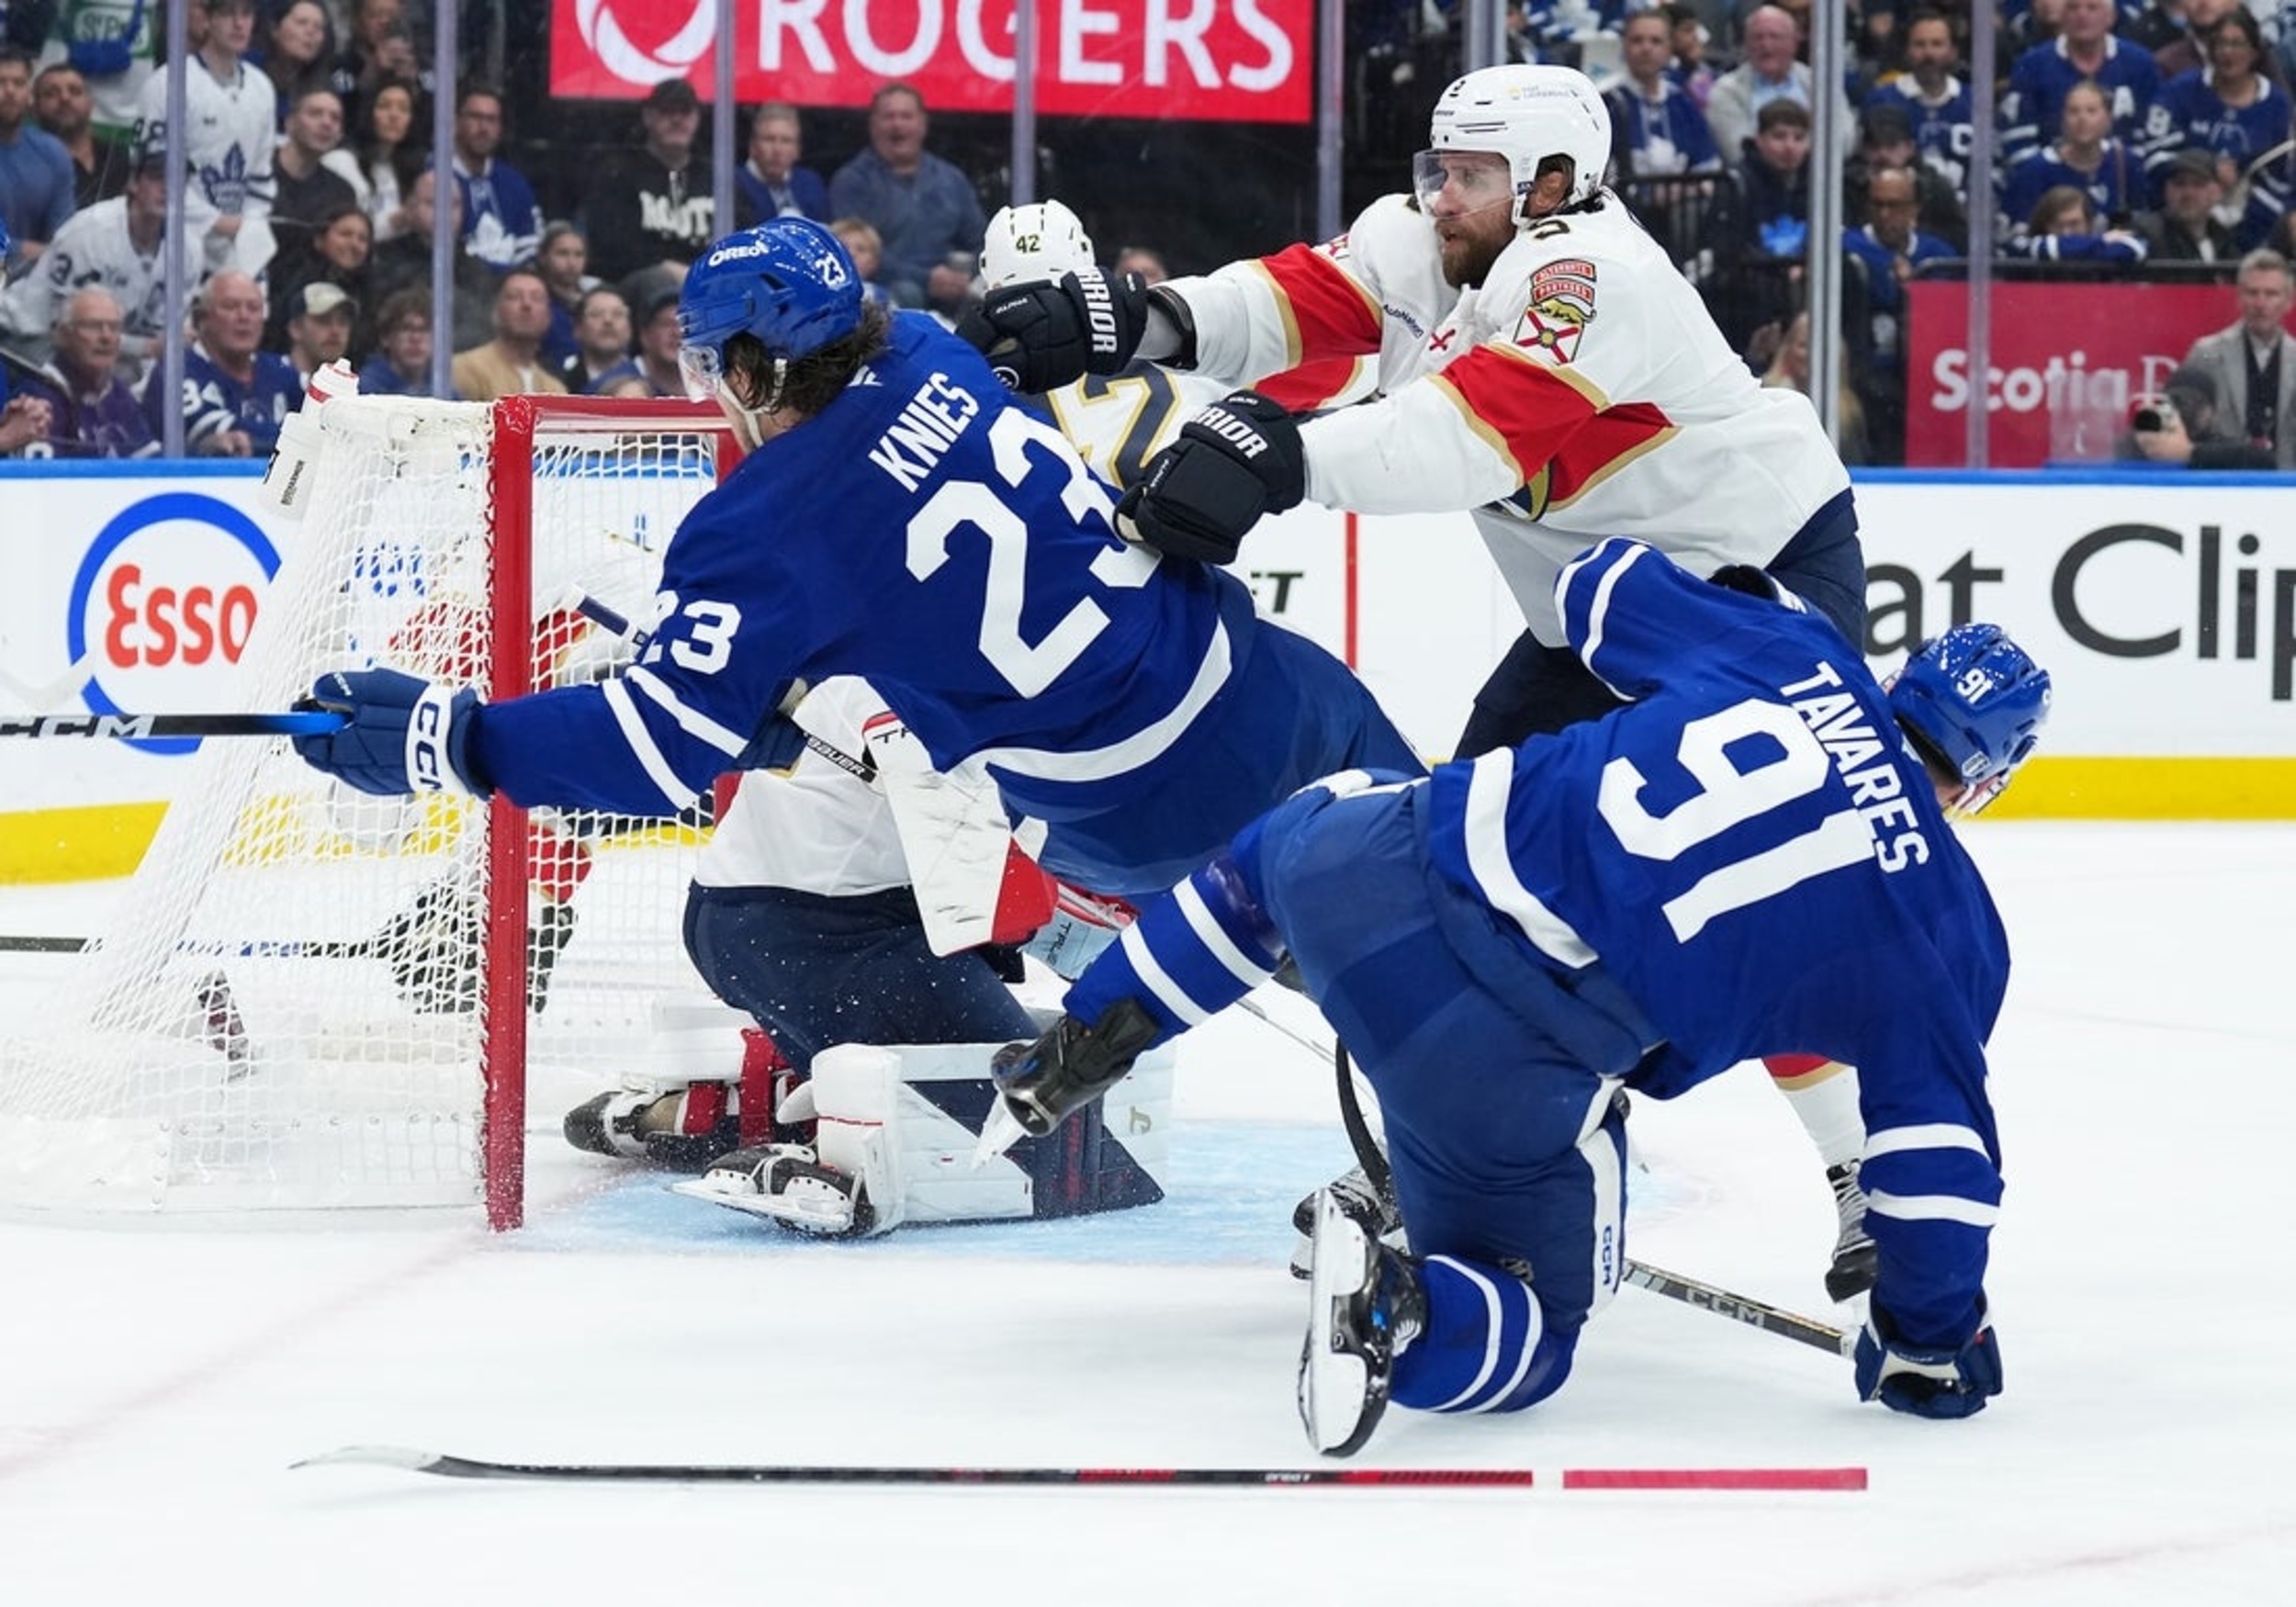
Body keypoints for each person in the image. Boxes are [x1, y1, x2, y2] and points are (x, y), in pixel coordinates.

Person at [983, 539, 2050, 1454]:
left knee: (1291, 840)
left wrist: (1746, 599)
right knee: (1535, 1330)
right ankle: (1403, 1315)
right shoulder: (1950, 930)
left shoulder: (1796, 653)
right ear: (1991, 777)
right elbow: (1934, 1177)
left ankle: (1086, 1036)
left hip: (1371, 878)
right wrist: (1925, 1335)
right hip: (1492, 1066)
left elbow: (1599, 585)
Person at [286, 215, 1419, 909]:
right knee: (1453, 900)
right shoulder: (930, 349)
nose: (704, 391)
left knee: (1286, 943)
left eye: (709, 364)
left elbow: (651, 751)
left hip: (1125, 815)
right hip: (1272, 685)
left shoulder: (763, 528)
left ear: (756, 366)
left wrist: (457, 739)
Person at [967, 64, 1863, 764]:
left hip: (1752, 581)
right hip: (1593, 625)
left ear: (1549, 185)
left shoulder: (1591, 278)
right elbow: (1284, 300)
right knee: (1461, 868)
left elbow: (1469, 439)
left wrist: (1285, 457)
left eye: (1469, 175)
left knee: (1719, 870)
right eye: (1439, 169)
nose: (1440, 195)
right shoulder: (1431, 237)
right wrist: (1138, 320)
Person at [0, 143, 199, 378]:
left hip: (114, 353)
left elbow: (164, 334)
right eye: (156, 178)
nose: (168, 188)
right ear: (133, 183)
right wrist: (144, 348)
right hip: (32, 338)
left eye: (178, 180)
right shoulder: (90, 232)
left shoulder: (189, 250)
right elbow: (63, 329)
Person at [132, 0, 277, 277]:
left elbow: (261, 173)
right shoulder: (168, 83)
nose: (239, 23)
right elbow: (151, 172)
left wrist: (251, 225)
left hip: (240, 247)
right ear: (207, 19)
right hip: (177, 239)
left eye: (246, 14)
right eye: (227, 13)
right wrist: (216, 222)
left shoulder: (262, 87)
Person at [827, 82, 986, 315]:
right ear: (873, 125)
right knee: (907, 292)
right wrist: (925, 279)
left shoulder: (951, 179)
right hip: (888, 297)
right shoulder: (852, 181)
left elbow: (981, 239)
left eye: (906, 116)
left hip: (953, 295)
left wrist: (966, 277)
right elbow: (851, 253)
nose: (897, 124)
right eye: (888, 116)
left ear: (922, 124)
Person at [2138, 6, 2290, 247]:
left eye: (2237, 44)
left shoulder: (2276, 104)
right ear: (2210, 49)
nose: (2228, 53)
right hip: (2178, 224)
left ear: (2254, 51)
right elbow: (2154, 156)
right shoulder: (2180, 91)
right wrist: (2204, 173)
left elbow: (2279, 180)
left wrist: (2246, 222)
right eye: (2221, 44)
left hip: (2251, 227)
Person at [1842, 164, 1954, 464]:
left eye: (1895, 206)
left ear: (1914, 208)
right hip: (1859, 372)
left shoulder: (1937, 254)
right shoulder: (1846, 246)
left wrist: (1914, 290)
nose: (1884, 214)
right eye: (1877, 205)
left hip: (1924, 373)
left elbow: (1948, 319)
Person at [139, 267, 299, 455]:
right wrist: (301, 442)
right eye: (230, 306)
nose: (244, 317)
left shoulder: (280, 369)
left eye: (254, 308)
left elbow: (326, 428)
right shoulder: (176, 372)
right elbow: (232, 441)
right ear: (201, 318)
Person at [580, 77, 716, 284]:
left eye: (685, 112)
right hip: (641, 286)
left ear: (697, 118)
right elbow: (613, 249)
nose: (677, 120)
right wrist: (671, 270)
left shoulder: (717, 179)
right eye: (667, 111)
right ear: (648, 116)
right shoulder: (619, 174)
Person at [2001, 0, 2161, 162]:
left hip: (2122, 175)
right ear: (2062, 16)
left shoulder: (2140, 63)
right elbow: (2017, 138)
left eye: (2092, 8)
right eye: (2073, 8)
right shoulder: (2032, 65)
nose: (2082, 15)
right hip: (2051, 176)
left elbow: (2151, 134)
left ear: (2110, 17)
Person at [2178, 246, 2296, 464]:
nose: (2261, 304)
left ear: (2289, 301)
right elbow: (2183, 430)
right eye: (2253, 293)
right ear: (2239, 297)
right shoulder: (2206, 353)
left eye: (2271, 294)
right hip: (2225, 483)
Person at [11, 285, 156, 456]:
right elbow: (42, 481)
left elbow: (153, 466)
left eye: (114, 327)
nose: (106, 337)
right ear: (63, 336)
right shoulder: (39, 399)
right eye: (93, 326)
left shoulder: (117, 392)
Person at [1999, 78, 2144, 250]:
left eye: (2091, 111)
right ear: (2063, 119)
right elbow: (2015, 240)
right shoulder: (2035, 171)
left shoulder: (2124, 162)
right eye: (2073, 111)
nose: (2082, 119)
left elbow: (2140, 227)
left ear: (2108, 118)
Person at [1704, 5, 1855, 168]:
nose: (1766, 45)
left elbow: (1845, 137)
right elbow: (1738, 151)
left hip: (1817, 179)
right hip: (1755, 186)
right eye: (1757, 37)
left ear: (1794, 42)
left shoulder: (1819, 83)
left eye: (1775, 37)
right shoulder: (1725, 92)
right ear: (1746, 44)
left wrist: (1797, 157)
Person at [1863, 8, 1978, 197]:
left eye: (1937, 44)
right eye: (1919, 44)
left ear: (1953, 52)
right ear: (1907, 51)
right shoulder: (1882, 99)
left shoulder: (1973, 101)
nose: (1928, 53)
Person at [1604, 9, 1723, 182]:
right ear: (1624, 46)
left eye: (1656, 41)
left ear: (1669, 49)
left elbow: (1708, 164)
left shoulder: (1683, 102)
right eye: (1637, 40)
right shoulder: (1608, 102)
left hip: (1685, 205)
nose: (1646, 48)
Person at [447, 83, 540, 274]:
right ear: (456, 122)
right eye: (475, 117)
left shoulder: (513, 183)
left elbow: (530, 247)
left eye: (491, 120)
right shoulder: (434, 177)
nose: (483, 128)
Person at [0, 44, 75, 267]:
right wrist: (24, 249)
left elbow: (64, 232)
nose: (10, 91)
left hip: (35, 282)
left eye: (19, 83)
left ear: (30, 94)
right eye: (1, 82)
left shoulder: (53, 153)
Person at [2114, 361, 2275, 465]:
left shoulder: (2221, 447)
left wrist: (2188, 453)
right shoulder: (2142, 446)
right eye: (2176, 401)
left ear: (2212, 412)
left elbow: (2265, 461)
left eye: (2196, 403)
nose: (2185, 409)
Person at [448, 266, 569, 402]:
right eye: (514, 296)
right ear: (496, 310)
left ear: (549, 315)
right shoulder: (465, 369)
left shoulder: (555, 390)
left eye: (537, 298)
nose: (527, 304)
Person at [32, 59, 129, 209]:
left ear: (90, 103)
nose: (65, 98)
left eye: (75, 91)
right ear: (35, 109)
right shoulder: (30, 160)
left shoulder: (117, 154)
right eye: (51, 93)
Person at [2134, 145, 2244, 260]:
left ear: (2217, 192)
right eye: (2179, 183)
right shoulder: (2148, 234)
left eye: (2198, 184)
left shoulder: (2225, 240)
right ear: (2166, 190)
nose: (2188, 194)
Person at [732, 101, 828, 228]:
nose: (777, 149)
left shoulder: (810, 184)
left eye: (786, 141)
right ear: (753, 147)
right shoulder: (735, 184)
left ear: (797, 150)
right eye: (769, 139)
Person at [355, 286, 455, 398]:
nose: (416, 338)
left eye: (425, 329)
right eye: (406, 328)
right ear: (385, 338)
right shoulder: (365, 391)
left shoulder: (444, 389)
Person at [553, 285, 637, 394]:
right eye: (596, 314)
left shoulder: (646, 380)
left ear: (630, 328)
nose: (608, 321)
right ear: (578, 328)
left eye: (618, 314)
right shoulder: (558, 380)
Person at [281, 279, 356, 383]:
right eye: (323, 320)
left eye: (342, 322)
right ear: (296, 328)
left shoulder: (353, 390)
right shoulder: (268, 379)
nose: (335, 331)